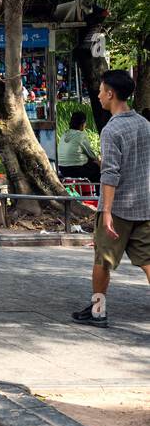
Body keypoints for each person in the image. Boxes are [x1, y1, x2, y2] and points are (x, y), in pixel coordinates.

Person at [73, 70, 150, 329]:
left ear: (110, 94)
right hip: (145, 204)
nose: (98, 95)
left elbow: (110, 173)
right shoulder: (145, 124)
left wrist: (105, 211)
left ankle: (98, 310)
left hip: (117, 209)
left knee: (103, 259)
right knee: (148, 261)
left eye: (101, 90)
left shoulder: (111, 130)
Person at [58, 111, 101, 184]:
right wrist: (99, 162)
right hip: (76, 169)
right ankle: (97, 194)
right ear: (82, 124)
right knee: (97, 169)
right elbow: (91, 155)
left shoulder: (65, 133)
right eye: (85, 123)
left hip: (62, 169)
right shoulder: (81, 135)